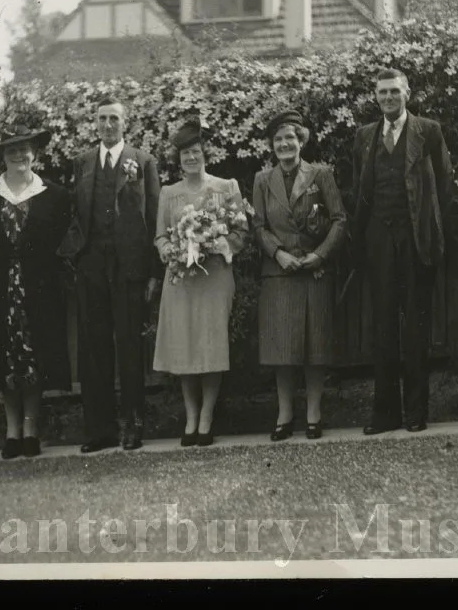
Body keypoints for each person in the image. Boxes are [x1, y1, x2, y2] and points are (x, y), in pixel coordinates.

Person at [351, 68, 453, 435]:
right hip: (379, 240)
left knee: (415, 327)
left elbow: (443, 187)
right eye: (382, 93)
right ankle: (385, 414)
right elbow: (358, 193)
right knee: (382, 329)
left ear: (407, 93)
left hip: (415, 241)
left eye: (395, 91)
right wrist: (360, 243)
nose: (388, 98)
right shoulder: (365, 137)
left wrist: (434, 237)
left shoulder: (428, 131)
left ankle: (415, 412)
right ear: (375, 97)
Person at [57, 98, 162, 452]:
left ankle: (132, 428)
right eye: (101, 119)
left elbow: (154, 217)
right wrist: (75, 253)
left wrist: (152, 272)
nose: (107, 124)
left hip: (129, 268)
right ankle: (98, 431)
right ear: (95, 123)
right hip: (92, 269)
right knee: (93, 350)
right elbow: (78, 213)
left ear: (125, 122)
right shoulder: (83, 163)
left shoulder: (143, 161)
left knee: (130, 349)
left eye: (113, 118)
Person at [0, 126, 72, 459]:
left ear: (35, 153)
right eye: (11, 151)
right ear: (2, 157)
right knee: (5, 361)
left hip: (38, 289)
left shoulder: (54, 195)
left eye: (24, 149)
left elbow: (63, 244)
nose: (19, 156)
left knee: (34, 360)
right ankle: (11, 432)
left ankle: (31, 429)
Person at [252, 110, 348, 442]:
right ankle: (284, 414)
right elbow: (258, 226)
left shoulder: (320, 174)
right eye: (278, 140)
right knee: (283, 350)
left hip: (314, 273)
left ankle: (314, 414)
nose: (284, 145)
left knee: (315, 346)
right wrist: (277, 253)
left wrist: (319, 255)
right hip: (279, 275)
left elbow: (338, 219)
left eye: (290, 138)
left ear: (301, 141)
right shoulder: (262, 180)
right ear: (272, 145)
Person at [153, 120, 249, 447]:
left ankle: (207, 417)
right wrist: (170, 250)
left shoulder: (226, 187)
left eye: (195, 151)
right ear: (178, 160)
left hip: (214, 277)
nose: (191, 158)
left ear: (205, 153)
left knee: (210, 346)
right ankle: (191, 417)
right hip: (181, 280)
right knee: (184, 347)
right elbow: (161, 236)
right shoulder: (169, 193)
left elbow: (240, 232)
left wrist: (218, 245)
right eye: (185, 154)